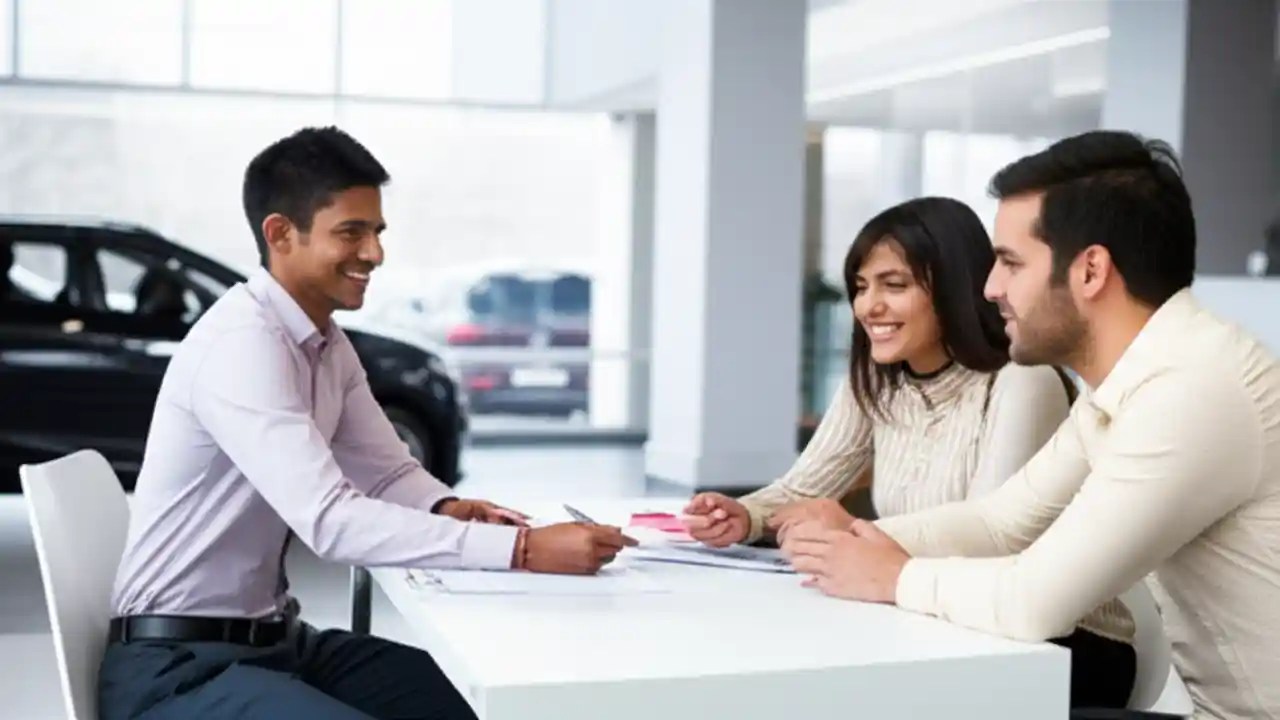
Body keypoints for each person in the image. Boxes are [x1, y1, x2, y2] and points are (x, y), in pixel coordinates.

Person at [99, 126, 635, 720]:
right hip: (179, 672)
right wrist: (524, 549)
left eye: (376, 232)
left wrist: (448, 509)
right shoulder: (242, 344)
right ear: (281, 234)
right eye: (351, 232)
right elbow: (330, 522)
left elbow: (385, 475)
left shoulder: (322, 341)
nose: (374, 253)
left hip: (279, 645)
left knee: (480, 704)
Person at [782, 130, 1280, 720]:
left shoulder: (1192, 390)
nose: (990, 287)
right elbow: (1002, 522)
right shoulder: (1124, 387)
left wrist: (895, 575)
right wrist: (865, 543)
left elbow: (1033, 601)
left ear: (1090, 270)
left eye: (1011, 263)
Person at [683, 197, 1136, 708]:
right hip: (936, 614)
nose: (868, 306)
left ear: (953, 286)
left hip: (1058, 642)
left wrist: (855, 534)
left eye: (893, 285)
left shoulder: (1020, 383)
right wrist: (745, 515)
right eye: (860, 287)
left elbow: (994, 539)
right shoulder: (877, 382)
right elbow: (804, 489)